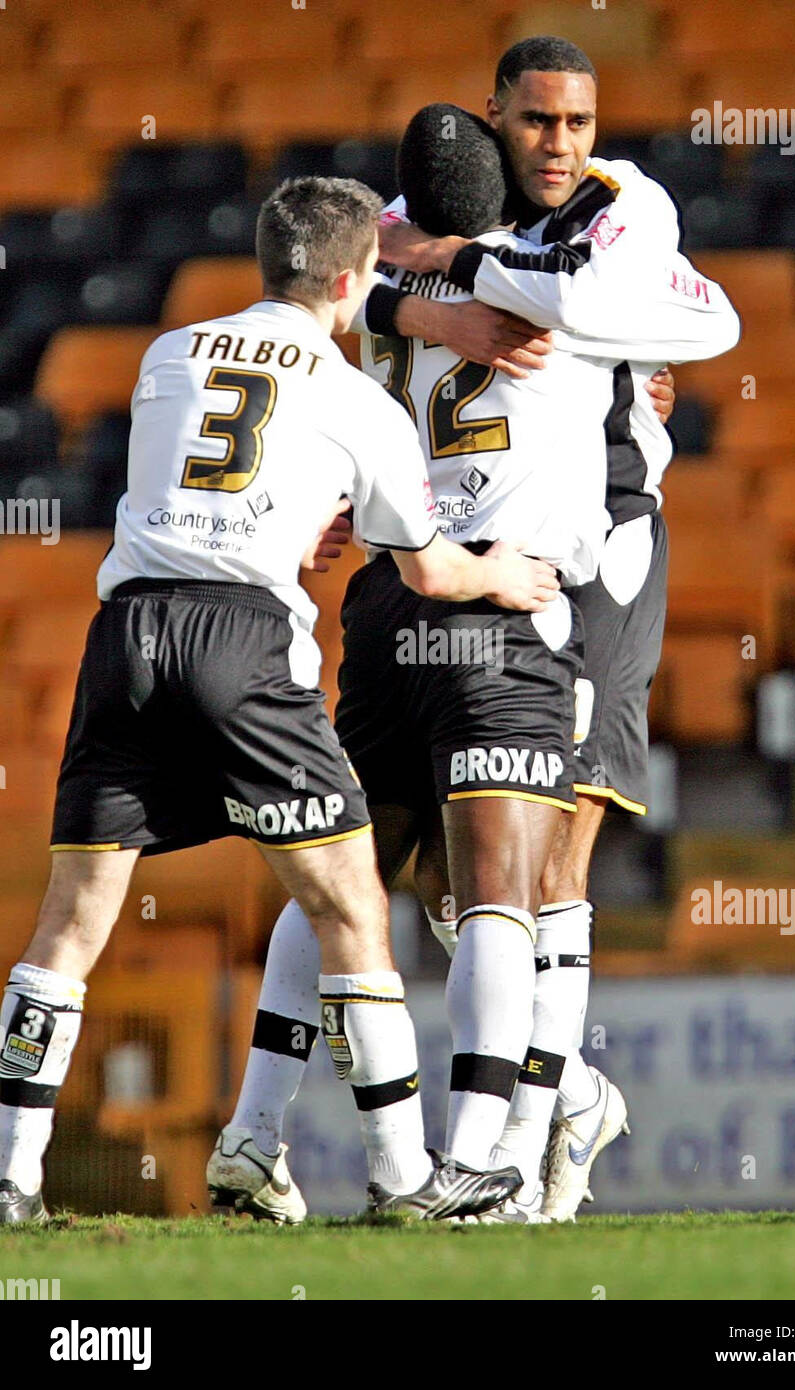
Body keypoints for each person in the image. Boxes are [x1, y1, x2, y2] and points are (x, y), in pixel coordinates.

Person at [209, 74, 738, 1220]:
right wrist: (451, 293)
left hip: (427, 581)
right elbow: (680, 321)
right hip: (517, 583)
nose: (559, 147)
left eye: (574, 123)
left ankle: (280, 1132)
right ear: (499, 134)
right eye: (534, 125)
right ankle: (509, 1140)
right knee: (496, 881)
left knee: (366, 876)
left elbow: (321, 304)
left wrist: (416, 298)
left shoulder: (405, 275)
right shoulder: (541, 274)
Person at [0, 174, 562, 1226]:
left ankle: (10, 1181)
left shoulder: (168, 352)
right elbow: (430, 570)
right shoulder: (357, 397)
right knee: (349, 905)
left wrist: (290, 526)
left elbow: (191, 487)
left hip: (127, 631)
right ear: (351, 282)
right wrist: (505, 579)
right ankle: (405, 1181)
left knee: (67, 926)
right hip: (242, 639)